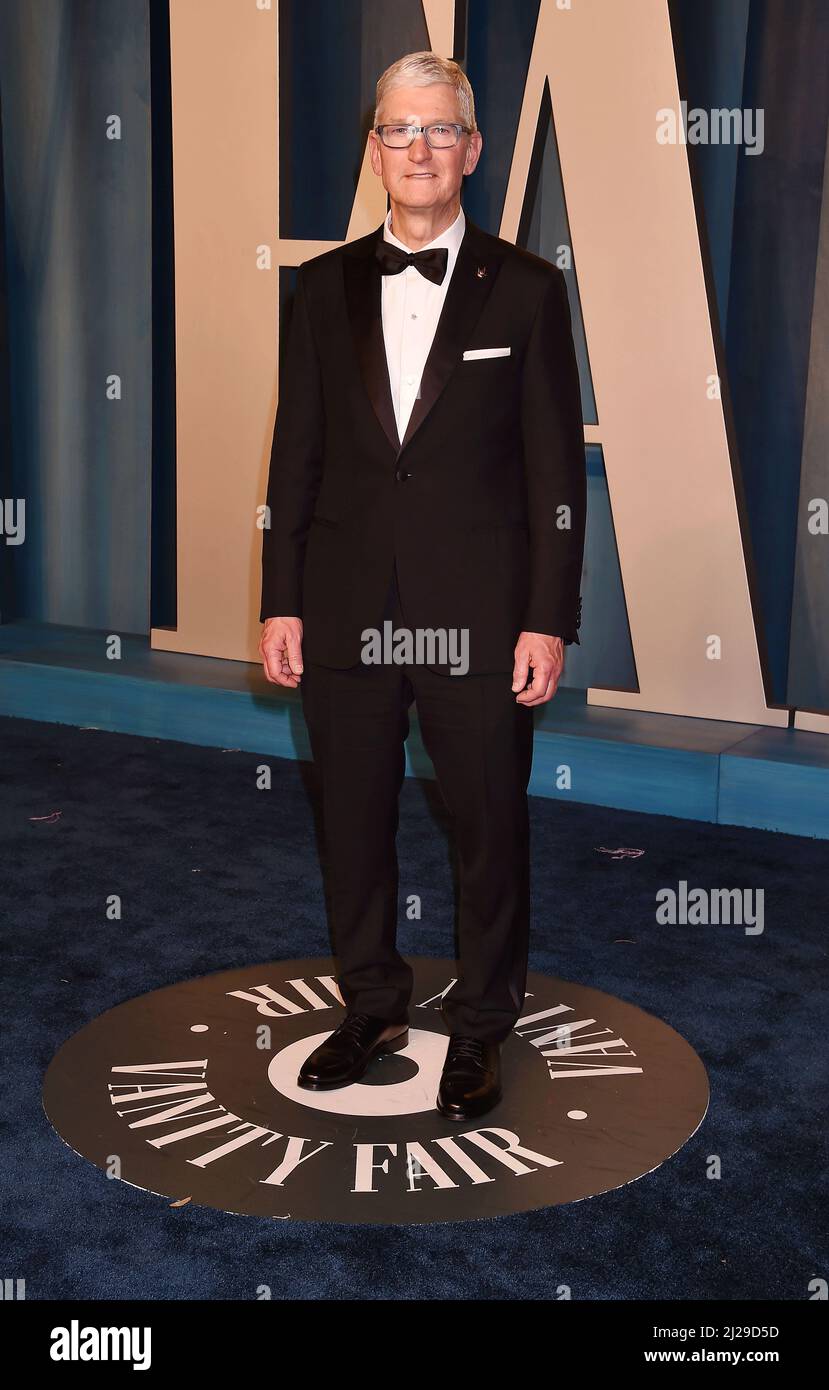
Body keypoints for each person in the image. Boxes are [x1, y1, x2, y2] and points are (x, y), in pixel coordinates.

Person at [259, 50, 585, 1121]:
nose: (418, 149)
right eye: (398, 130)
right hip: (345, 607)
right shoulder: (321, 286)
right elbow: (293, 454)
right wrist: (282, 596)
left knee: (488, 820)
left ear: (472, 150)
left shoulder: (529, 291)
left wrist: (548, 618)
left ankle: (485, 1022)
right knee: (351, 816)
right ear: (374, 148)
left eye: (439, 130)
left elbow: (552, 476)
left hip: (480, 617)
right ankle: (370, 1004)